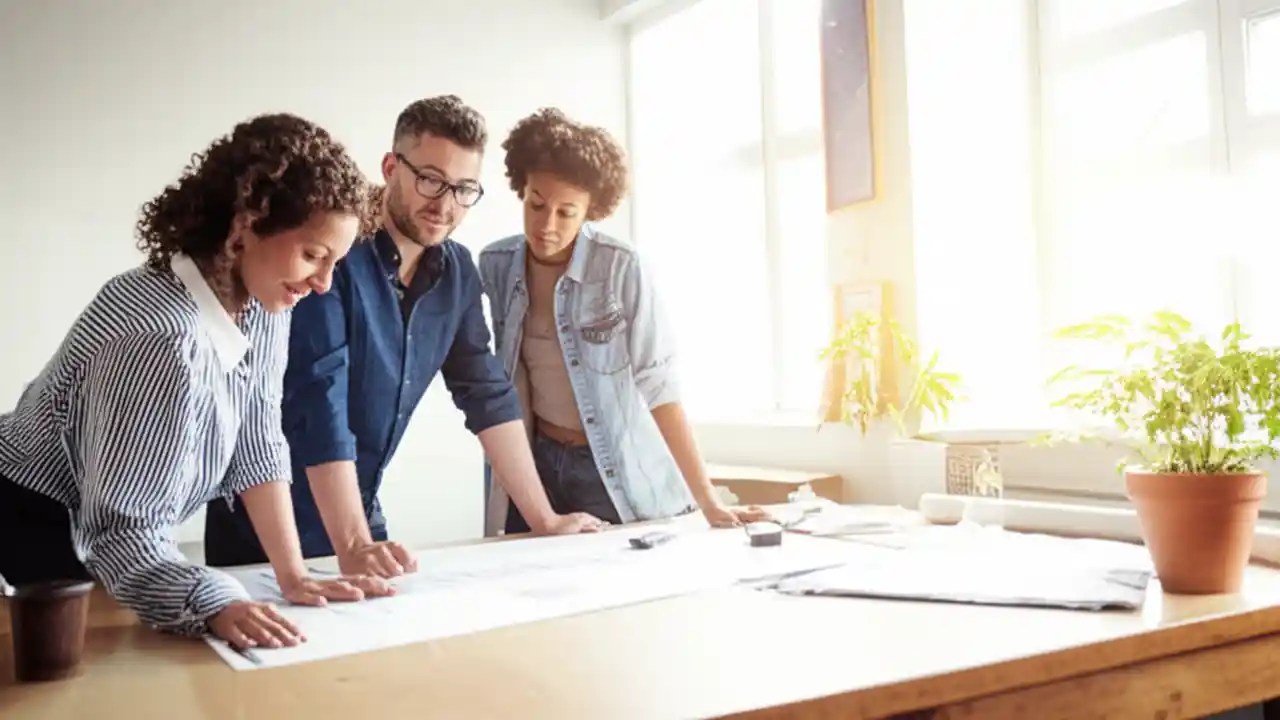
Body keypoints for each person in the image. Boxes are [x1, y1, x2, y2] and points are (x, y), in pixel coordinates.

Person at [0, 113, 392, 650]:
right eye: (312, 255)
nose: (323, 284)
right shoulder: (159, 338)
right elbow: (122, 530)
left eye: (334, 264)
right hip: (27, 523)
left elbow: (258, 435)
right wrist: (213, 600)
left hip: (84, 530)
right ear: (245, 226)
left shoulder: (263, 303)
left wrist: (293, 573)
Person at [204, 96, 607, 578]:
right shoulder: (331, 258)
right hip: (267, 527)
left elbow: (487, 394)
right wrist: (352, 542)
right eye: (430, 180)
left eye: (463, 189)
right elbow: (319, 398)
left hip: (362, 515)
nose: (444, 204)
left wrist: (546, 519)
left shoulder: (456, 271)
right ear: (391, 166)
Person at [477, 108, 769, 535]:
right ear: (522, 189)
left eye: (566, 212)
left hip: (605, 467)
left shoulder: (620, 267)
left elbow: (658, 381)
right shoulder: (495, 265)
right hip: (534, 463)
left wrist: (708, 498)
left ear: (590, 211)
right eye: (536, 204)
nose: (547, 225)